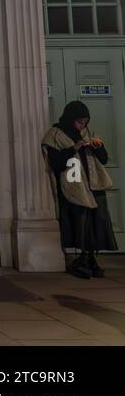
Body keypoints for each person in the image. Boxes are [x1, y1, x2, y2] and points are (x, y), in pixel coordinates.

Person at [42, 100, 116, 278]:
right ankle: (81, 257)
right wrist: (74, 147)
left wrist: (98, 147)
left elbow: (103, 159)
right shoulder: (55, 135)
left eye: (85, 122)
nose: (82, 126)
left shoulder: (86, 133)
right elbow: (56, 162)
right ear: (70, 119)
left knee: (96, 220)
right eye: (79, 121)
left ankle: (90, 257)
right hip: (74, 184)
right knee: (80, 221)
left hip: (93, 183)